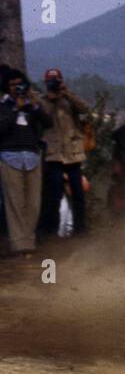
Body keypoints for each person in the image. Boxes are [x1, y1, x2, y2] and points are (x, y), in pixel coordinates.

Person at [0, 69, 52, 257]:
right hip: (10, 156)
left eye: (20, 84)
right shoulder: (4, 106)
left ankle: (28, 241)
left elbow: (48, 123)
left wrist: (34, 106)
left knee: (33, 203)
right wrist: (15, 110)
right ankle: (18, 244)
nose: (17, 88)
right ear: (7, 86)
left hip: (32, 157)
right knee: (15, 203)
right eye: (13, 84)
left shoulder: (32, 106)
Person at [38, 68, 91, 236]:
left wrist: (66, 93)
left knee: (78, 193)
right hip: (53, 154)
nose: (53, 84)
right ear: (45, 83)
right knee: (53, 195)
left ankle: (80, 229)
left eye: (56, 81)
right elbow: (42, 119)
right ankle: (51, 231)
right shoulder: (42, 102)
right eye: (50, 82)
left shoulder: (69, 100)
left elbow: (84, 109)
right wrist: (51, 100)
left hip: (72, 154)